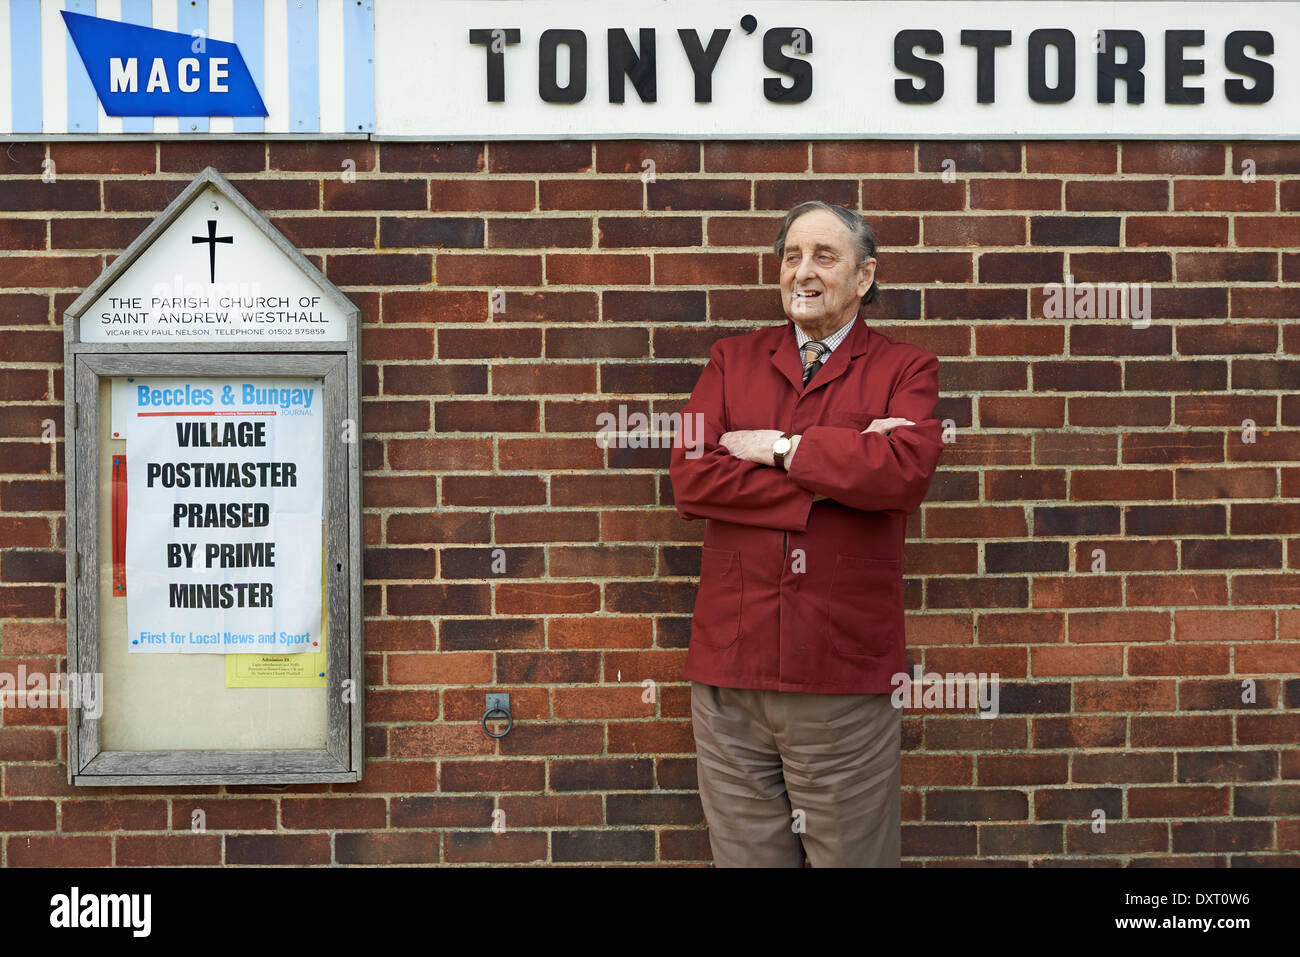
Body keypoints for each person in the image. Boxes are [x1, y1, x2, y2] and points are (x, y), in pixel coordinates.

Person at [668, 200, 944, 867]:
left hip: (840, 676)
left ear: (864, 276)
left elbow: (902, 474)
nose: (804, 271)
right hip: (730, 672)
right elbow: (689, 475)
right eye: (792, 256)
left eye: (825, 255)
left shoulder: (908, 369)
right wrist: (838, 470)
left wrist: (784, 448)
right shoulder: (731, 359)